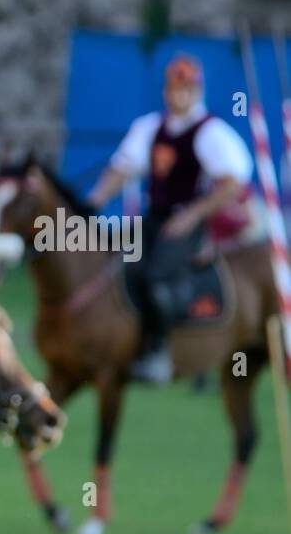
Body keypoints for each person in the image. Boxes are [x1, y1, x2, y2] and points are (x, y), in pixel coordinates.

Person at [86, 54, 254, 384]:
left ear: (197, 91)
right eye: (175, 88)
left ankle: (160, 352)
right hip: (155, 217)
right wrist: (97, 198)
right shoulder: (150, 128)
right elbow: (123, 167)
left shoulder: (210, 133)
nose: (180, 95)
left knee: (157, 278)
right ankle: (122, 343)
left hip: (185, 222)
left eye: (187, 89)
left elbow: (233, 182)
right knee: (121, 268)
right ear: (167, 91)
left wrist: (193, 214)